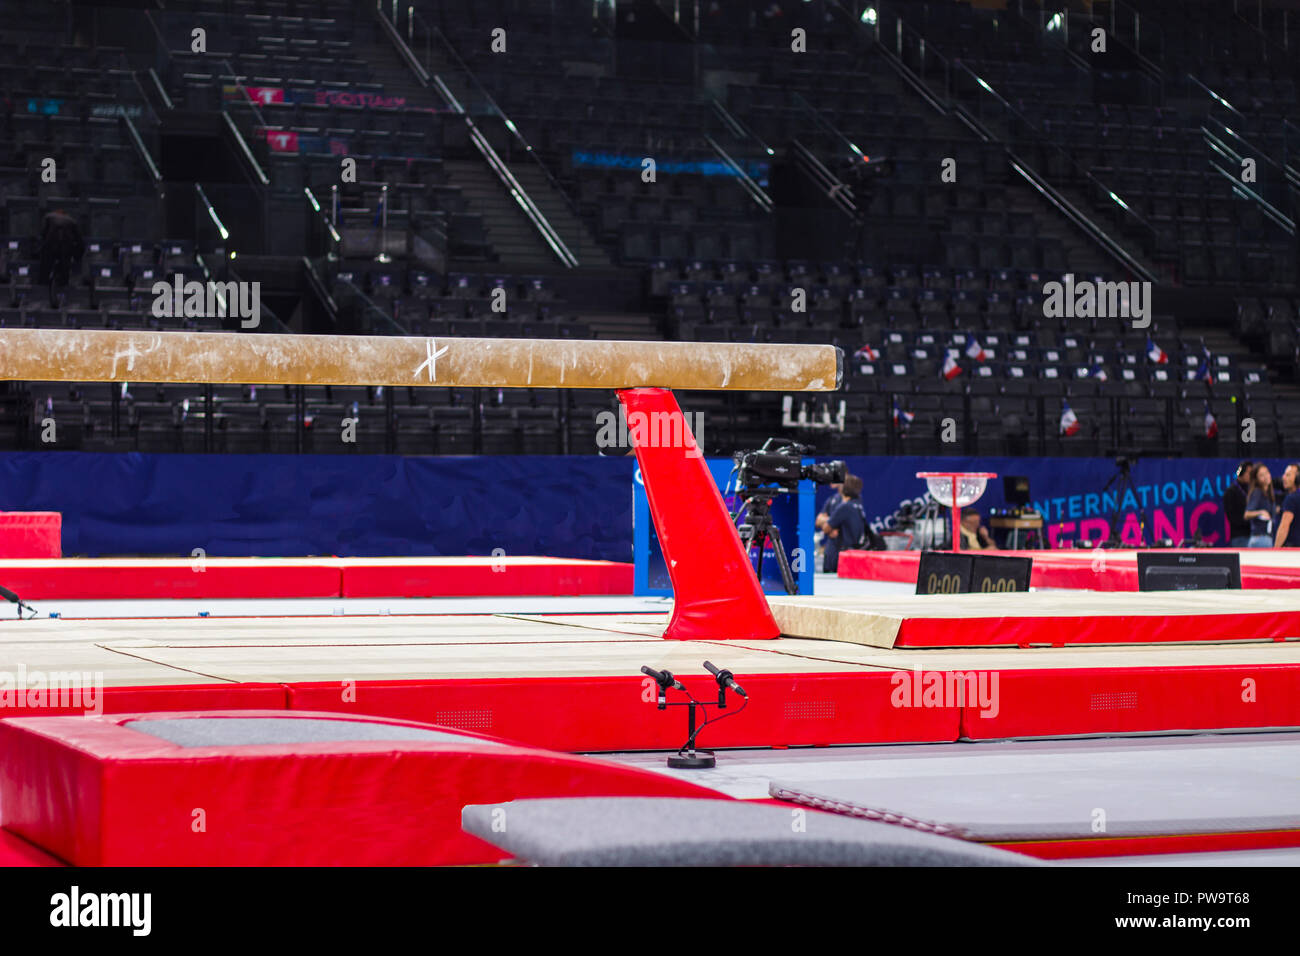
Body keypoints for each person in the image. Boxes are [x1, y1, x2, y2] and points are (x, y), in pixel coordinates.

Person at [37, 209, 84, 309]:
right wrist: (78, 256)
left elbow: (42, 234)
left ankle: (42, 289)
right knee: (64, 272)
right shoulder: (72, 221)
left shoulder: (48, 217)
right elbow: (79, 240)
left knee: (45, 270)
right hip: (65, 249)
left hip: (50, 248)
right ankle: (63, 289)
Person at [817, 474, 865, 573]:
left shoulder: (844, 507)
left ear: (843, 488)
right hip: (849, 556)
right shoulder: (858, 504)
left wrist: (829, 523)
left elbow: (826, 528)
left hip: (838, 557)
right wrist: (833, 522)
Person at [1245, 463, 1278, 548]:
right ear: (1257, 479)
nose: (1266, 476)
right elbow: (1247, 514)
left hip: (1267, 537)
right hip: (1260, 538)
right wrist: (1261, 512)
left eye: (1267, 472)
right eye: (1261, 475)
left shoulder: (1269, 494)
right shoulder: (1257, 492)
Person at [1222, 460, 1253, 548]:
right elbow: (1232, 517)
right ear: (1241, 473)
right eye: (1249, 473)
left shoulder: (1251, 489)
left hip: (1253, 535)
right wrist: (1249, 521)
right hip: (1239, 537)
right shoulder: (1231, 492)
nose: (1251, 476)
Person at [1275, 478, 1300, 548]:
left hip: (1292, 549)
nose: (1284, 477)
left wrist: (1275, 550)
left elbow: (1284, 525)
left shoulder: (1292, 498)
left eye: (1288, 475)